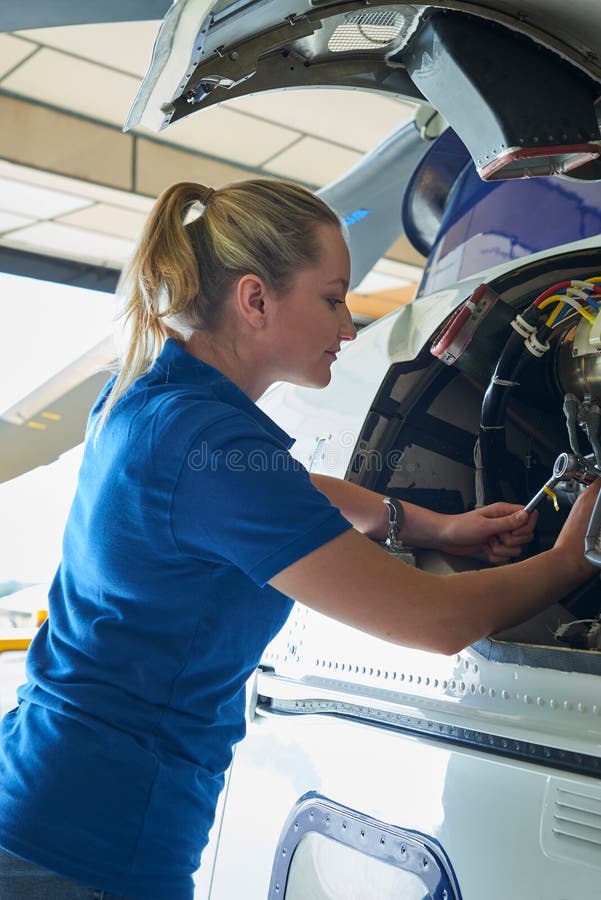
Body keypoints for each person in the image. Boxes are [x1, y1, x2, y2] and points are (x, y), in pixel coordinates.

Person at [0, 179, 597, 900]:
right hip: (86, 843)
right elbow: (434, 620)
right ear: (254, 300)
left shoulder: (155, 400)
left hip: (47, 800)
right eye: (332, 299)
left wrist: (427, 524)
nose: (349, 327)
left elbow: (286, 487)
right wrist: (572, 558)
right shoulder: (207, 444)